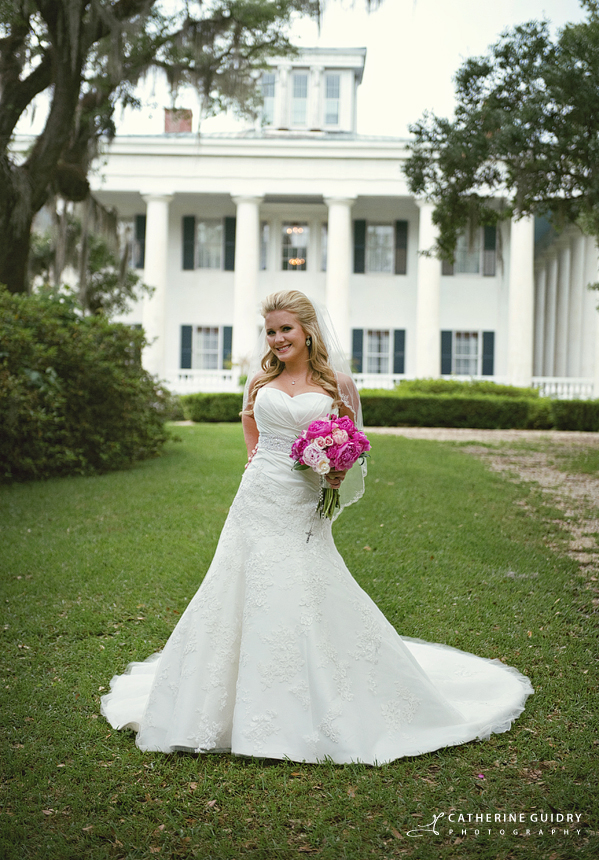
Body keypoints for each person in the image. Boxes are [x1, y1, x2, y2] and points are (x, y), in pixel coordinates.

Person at [101, 289, 533, 764]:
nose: (277, 338)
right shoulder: (260, 381)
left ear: (307, 331)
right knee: (237, 583)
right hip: (256, 497)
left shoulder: (337, 384)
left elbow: (353, 441)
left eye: (285, 328)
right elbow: (251, 426)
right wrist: (255, 461)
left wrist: (336, 471)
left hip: (302, 499)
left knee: (301, 584)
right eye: (270, 330)